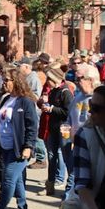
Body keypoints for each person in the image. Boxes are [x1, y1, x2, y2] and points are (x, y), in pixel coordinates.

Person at [0, 66, 38, 209]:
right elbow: (3, 120)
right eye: (4, 80)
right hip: (4, 146)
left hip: (19, 148)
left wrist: (28, 146)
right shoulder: (6, 98)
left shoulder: (26, 101)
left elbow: (32, 126)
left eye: (7, 80)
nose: (4, 82)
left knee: (8, 180)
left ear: (17, 82)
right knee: (18, 180)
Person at [42, 67, 74, 198]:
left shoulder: (66, 92)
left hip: (64, 129)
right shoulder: (54, 91)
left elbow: (67, 112)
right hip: (53, 128)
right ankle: (50, 184)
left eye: (50, 79)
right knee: (51, 155)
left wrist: (51, 108)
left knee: (66, 157)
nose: (48, 81)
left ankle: (70, 187)